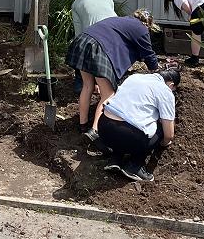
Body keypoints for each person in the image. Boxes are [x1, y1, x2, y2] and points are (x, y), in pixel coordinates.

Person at [65, 11, 160, 141]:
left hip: (82, 41)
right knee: (108, 94)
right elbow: (149, 54)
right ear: (147, 24)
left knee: (87, 86)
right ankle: (94, 131)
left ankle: (83, 125)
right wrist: (156, 70)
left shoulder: (120, 21)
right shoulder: (141, 28)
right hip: (97, 48)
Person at [99, 68, 179, 183]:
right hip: (128, 136)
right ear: (171, 85)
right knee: (161, 127)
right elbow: (169, 134)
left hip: (104, 128)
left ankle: (115, 159)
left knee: (127, 120)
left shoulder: (134, 77)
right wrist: (163, 143)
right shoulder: (165, 91)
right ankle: (135, 165)